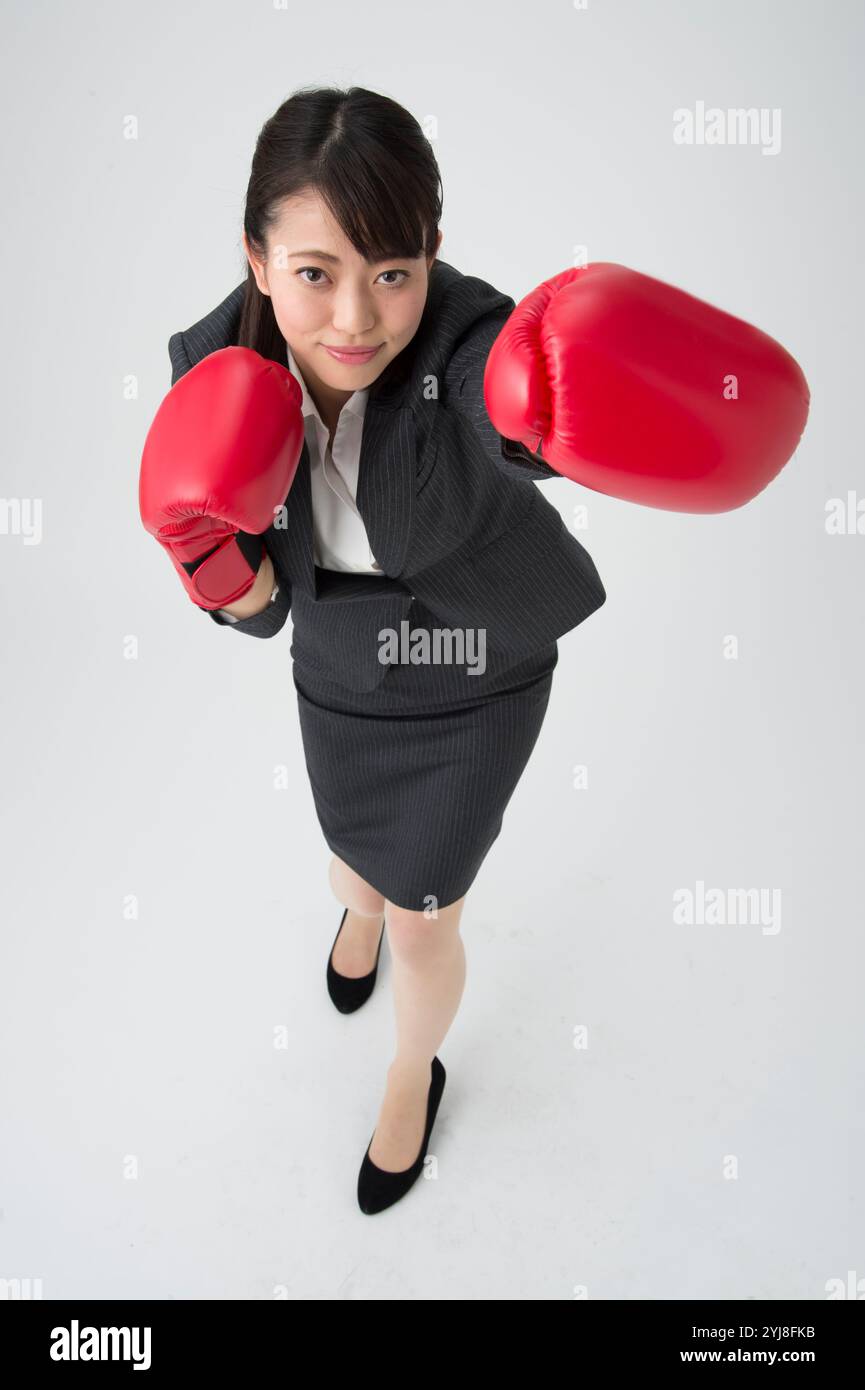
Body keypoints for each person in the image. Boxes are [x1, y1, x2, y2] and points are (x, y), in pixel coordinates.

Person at [139, 85, 808, 1216]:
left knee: (424, 912)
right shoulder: (211, 361)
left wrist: (611, 390)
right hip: (343, 666)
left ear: (431, 256)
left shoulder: (473, 339)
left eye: (392, 271)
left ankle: (412, 1071)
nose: (356, 316)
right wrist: (212, 562)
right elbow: (260, 615)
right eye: (315, 272)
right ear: (255, 258)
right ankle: (358, 902)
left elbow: (527, 397)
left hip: (474, 669)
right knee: (355, 866)